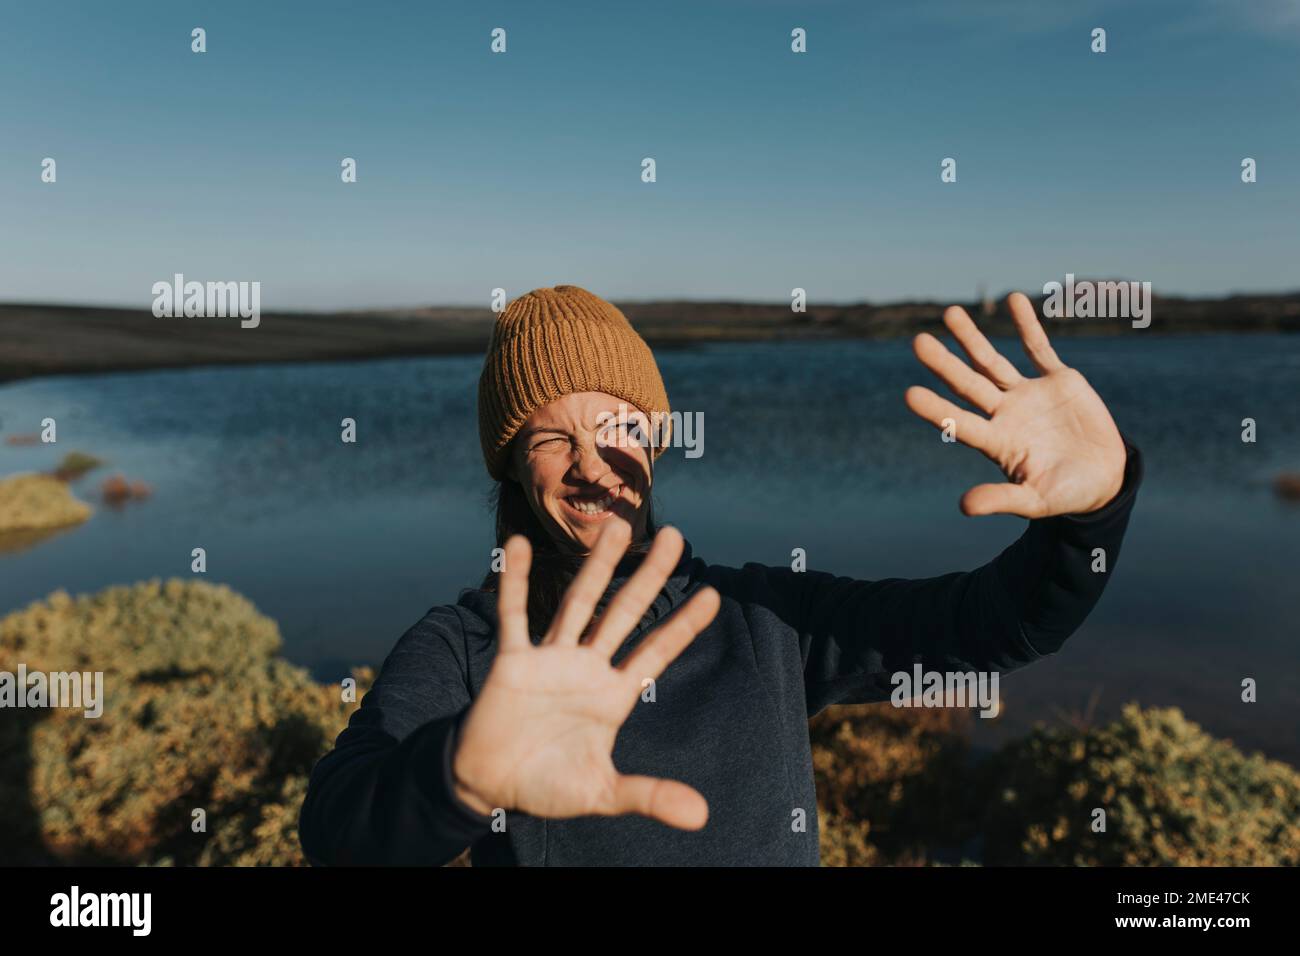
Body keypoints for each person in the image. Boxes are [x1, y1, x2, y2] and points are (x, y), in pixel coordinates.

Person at [298, 284, 1142, 866]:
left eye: (617, 426)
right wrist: (457, 778)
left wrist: (1088, 517)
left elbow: (998, 627)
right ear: (514, 472)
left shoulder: (761, 617)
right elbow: (340, 831)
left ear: (659, 442)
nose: (594, 465)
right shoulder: (469, 648)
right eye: (550, 440)